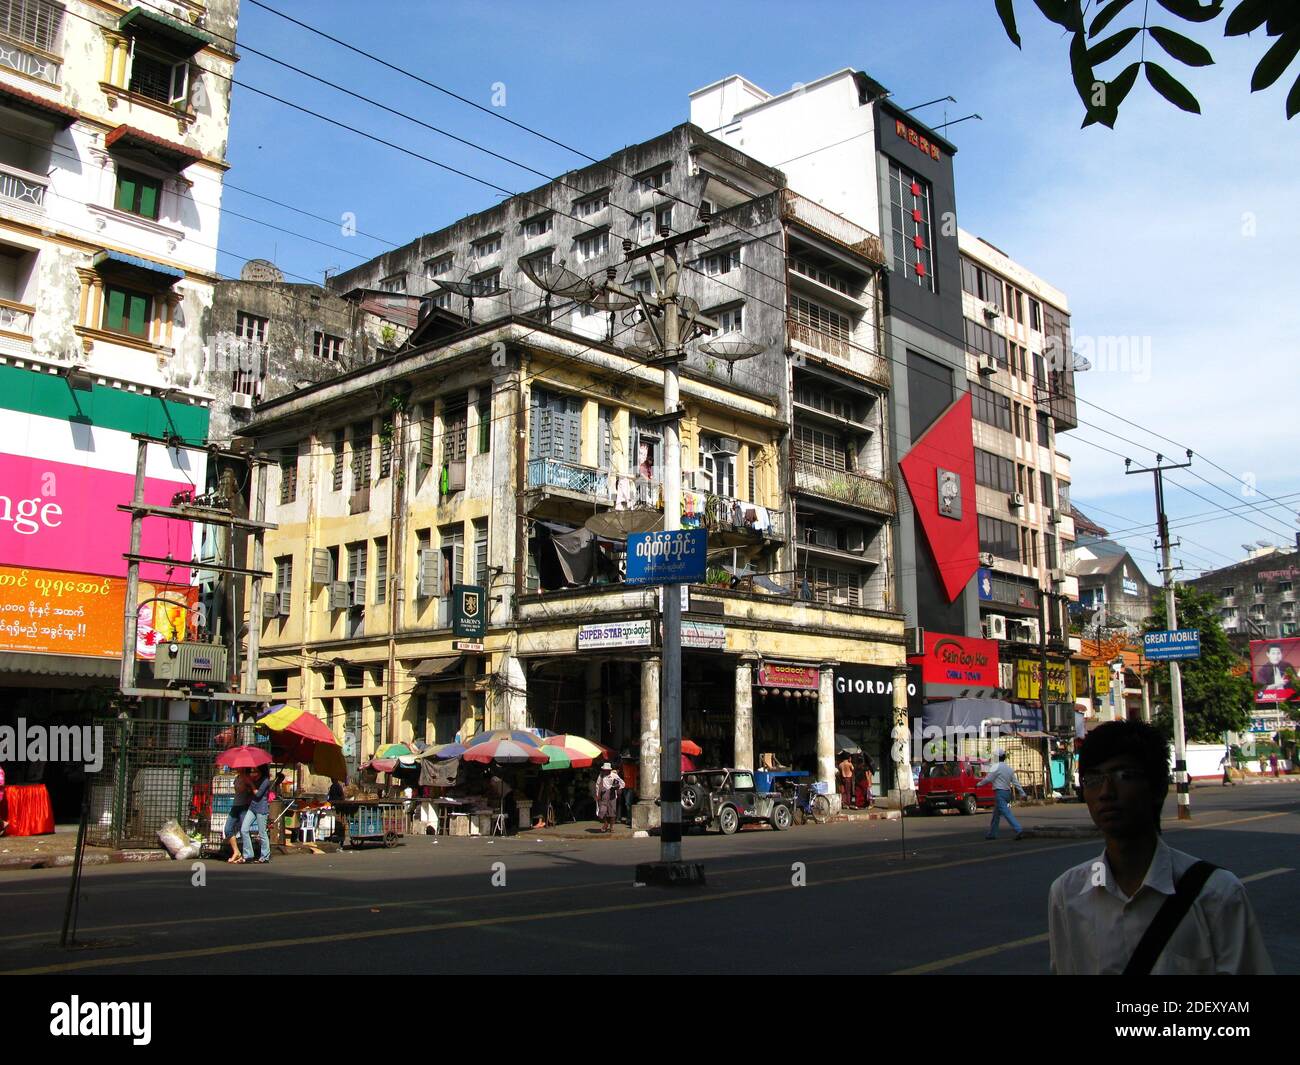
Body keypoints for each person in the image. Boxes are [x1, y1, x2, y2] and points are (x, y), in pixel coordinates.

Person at [1048, 720, 1273, 974]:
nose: (1106, 792)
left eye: (1124, 776)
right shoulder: (1067, 894)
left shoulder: (1217, 893)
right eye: (1093, 779)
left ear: (1157, 788)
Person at [976, 750, 1027, 840]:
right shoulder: (1009, 769)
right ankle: (992, 834)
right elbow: (1016, 783)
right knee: (996, 814)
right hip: (1007, 793)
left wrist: (978, 784)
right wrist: (1022, 793)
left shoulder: (995, 768)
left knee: (1006, 813)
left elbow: (988, 779)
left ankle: (1019, 830)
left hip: (999, 793)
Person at [241, 765, 274, 864]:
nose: (253, 772)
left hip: (261, 808)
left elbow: (258, 794)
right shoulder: (254, 779)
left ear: (261, 771)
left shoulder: (265, 781)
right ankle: (248, 854)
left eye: (255, 770)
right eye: (252, 770)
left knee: (262, 832)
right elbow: (250, 792)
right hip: (252, 806)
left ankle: (265, 856)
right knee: (244, 829)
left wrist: (251, 784)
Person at [225, 768, 253, 863]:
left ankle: (247, 854)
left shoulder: (247, 778)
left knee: (244, 830)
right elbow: (237, 790)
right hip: (235, 806)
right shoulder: (237, 777)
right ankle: (236, 851)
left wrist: (244, 780)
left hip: (244, 806)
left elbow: (241, 789)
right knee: (227, 829)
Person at [594, 762, 624, 833]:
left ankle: (612, 826)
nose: (606, 771)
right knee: (603, 810)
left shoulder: (614, 775)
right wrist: (597, 795)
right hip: (603, 795)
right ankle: (605, 823)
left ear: (609, 770)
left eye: (607, 770)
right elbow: (597, 785)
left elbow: (622, 783)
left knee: (612, 811)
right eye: (605, 770)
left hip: (612, 795)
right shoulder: (601, 775)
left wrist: (617, 786)